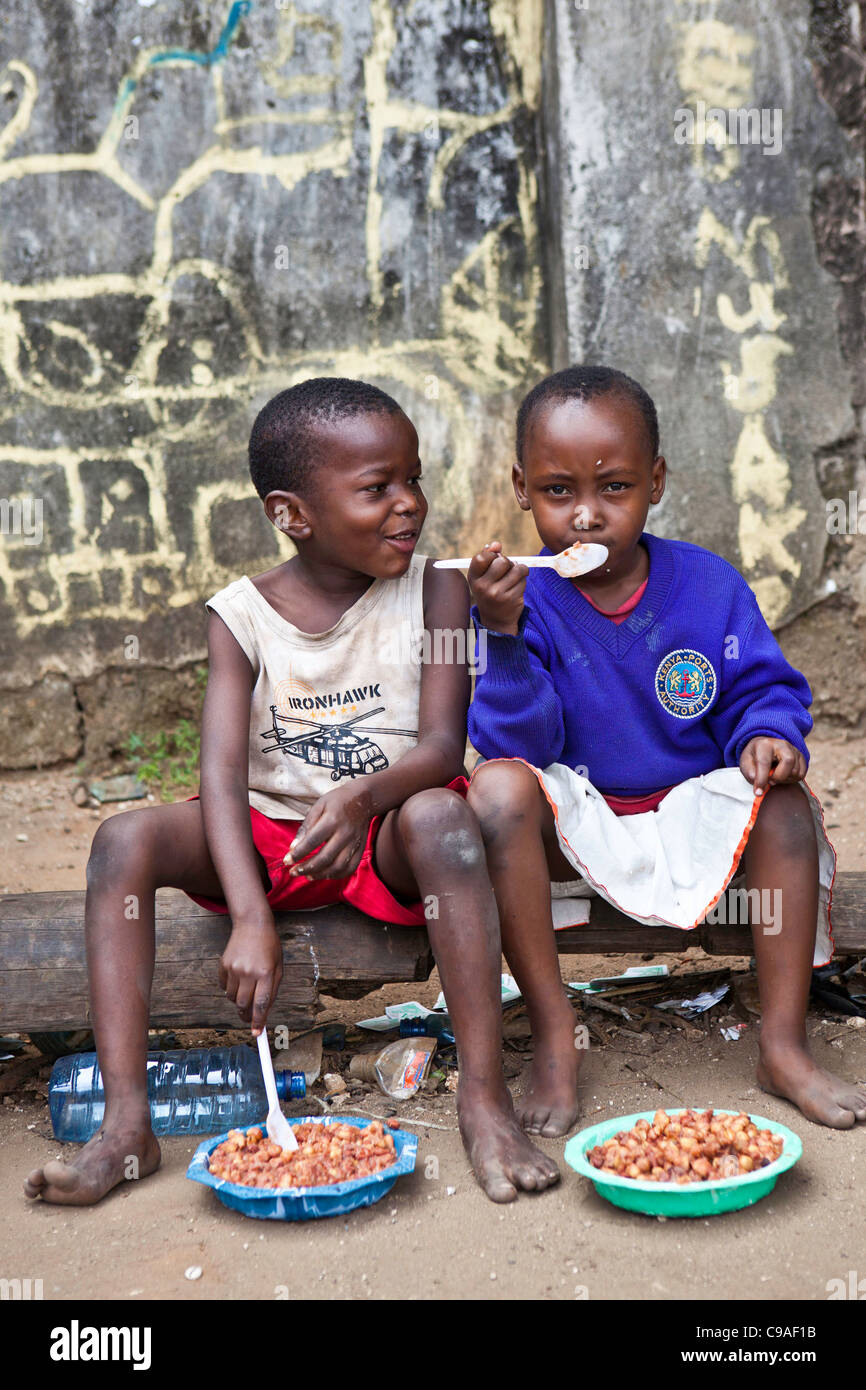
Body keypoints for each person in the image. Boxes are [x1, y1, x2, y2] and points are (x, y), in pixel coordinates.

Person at [24, 377, 559, 1206]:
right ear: (291, 513)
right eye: (377, 488)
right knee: (122, 840)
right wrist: (249, 915)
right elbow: (218, 774)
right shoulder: (241, 615)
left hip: (384, 832)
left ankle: (484, 1104)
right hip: (276, 836)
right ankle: (126, 1126)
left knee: (444, 818)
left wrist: (360, 798)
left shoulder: (438, 591)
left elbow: (439, 747)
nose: (409, 504)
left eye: (414, 478)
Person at [465, 364, 866, 1139]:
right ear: (520, 489)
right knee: (498, 790)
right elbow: (520, 746)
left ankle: (782, 1046)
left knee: (784, 807)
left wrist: (767, 736)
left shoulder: (709, 586)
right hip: (576, 821)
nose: (586, 515)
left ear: (655, 481)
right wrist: (505, 636)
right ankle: (555, 1036)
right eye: (558, 491)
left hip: (689, 808)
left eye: (614, 487)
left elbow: (762, 688)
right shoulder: (519, 598)